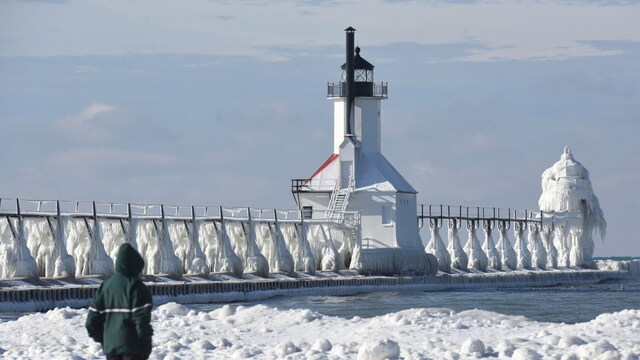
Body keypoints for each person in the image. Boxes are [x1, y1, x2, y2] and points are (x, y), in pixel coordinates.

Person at [86, 243, 153, 360]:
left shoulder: (104, 287)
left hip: (111, 349)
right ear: (135, 266)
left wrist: (104, 339)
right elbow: (141, 320)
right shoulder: (137, 287)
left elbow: (91, 322)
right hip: (133, 349)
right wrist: (146, 342)